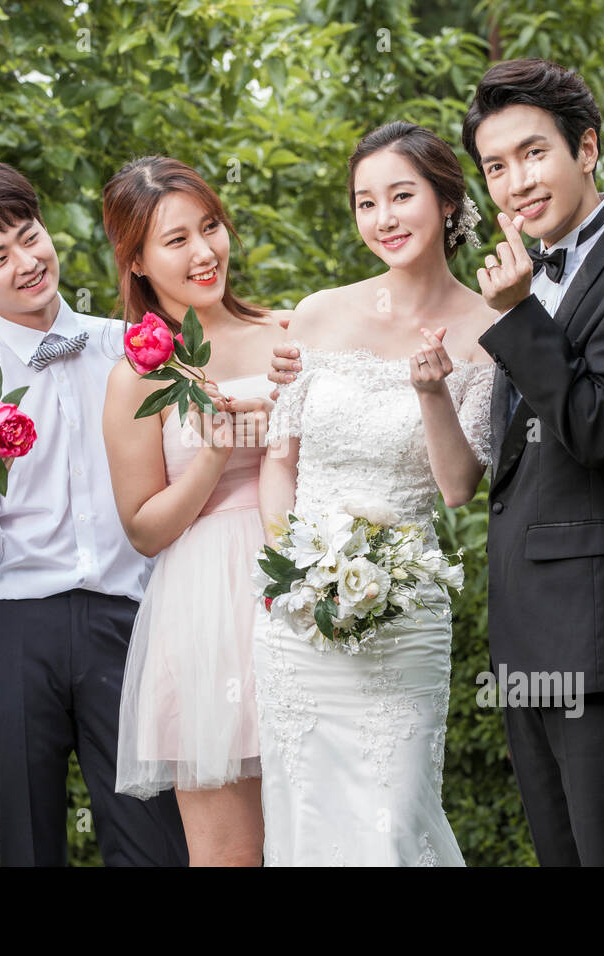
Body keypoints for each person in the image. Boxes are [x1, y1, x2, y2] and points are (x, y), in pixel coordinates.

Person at [0, 158, 189, 866]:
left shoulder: (132, 349)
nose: (26, 263)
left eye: (29, 236)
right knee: (29, 847)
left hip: (131, 614)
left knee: (154, 843)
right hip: (12, 624)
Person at [459, 58, 604, 866]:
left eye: (534, 153)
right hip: (528, 640)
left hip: (600, 639)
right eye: (495, 166)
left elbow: (598, 430)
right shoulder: (524, 277)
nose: (516, 182)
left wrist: (521, 316)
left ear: (586, 149)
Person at [256, 122, 496, 866]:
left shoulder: (490, 329)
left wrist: (432, 393)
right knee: (307, 819)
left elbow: (459, 489)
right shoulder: (321, 311)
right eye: (366, 202)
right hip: (298, 620)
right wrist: (288, 570)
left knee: (393, 823)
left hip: (406, 615)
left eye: (402, 196)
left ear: (448, 201)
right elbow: (278, 461)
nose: (383, 218)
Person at [100, 156, 287, 866]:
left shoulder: (285, 334)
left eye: (210, 227)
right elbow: (144, 528)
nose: (204, 251)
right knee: (227, 855)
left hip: (293, 580)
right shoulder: (134, 379)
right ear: (137, 259)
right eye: (176, 240)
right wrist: (211, 454)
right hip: (206, 606)